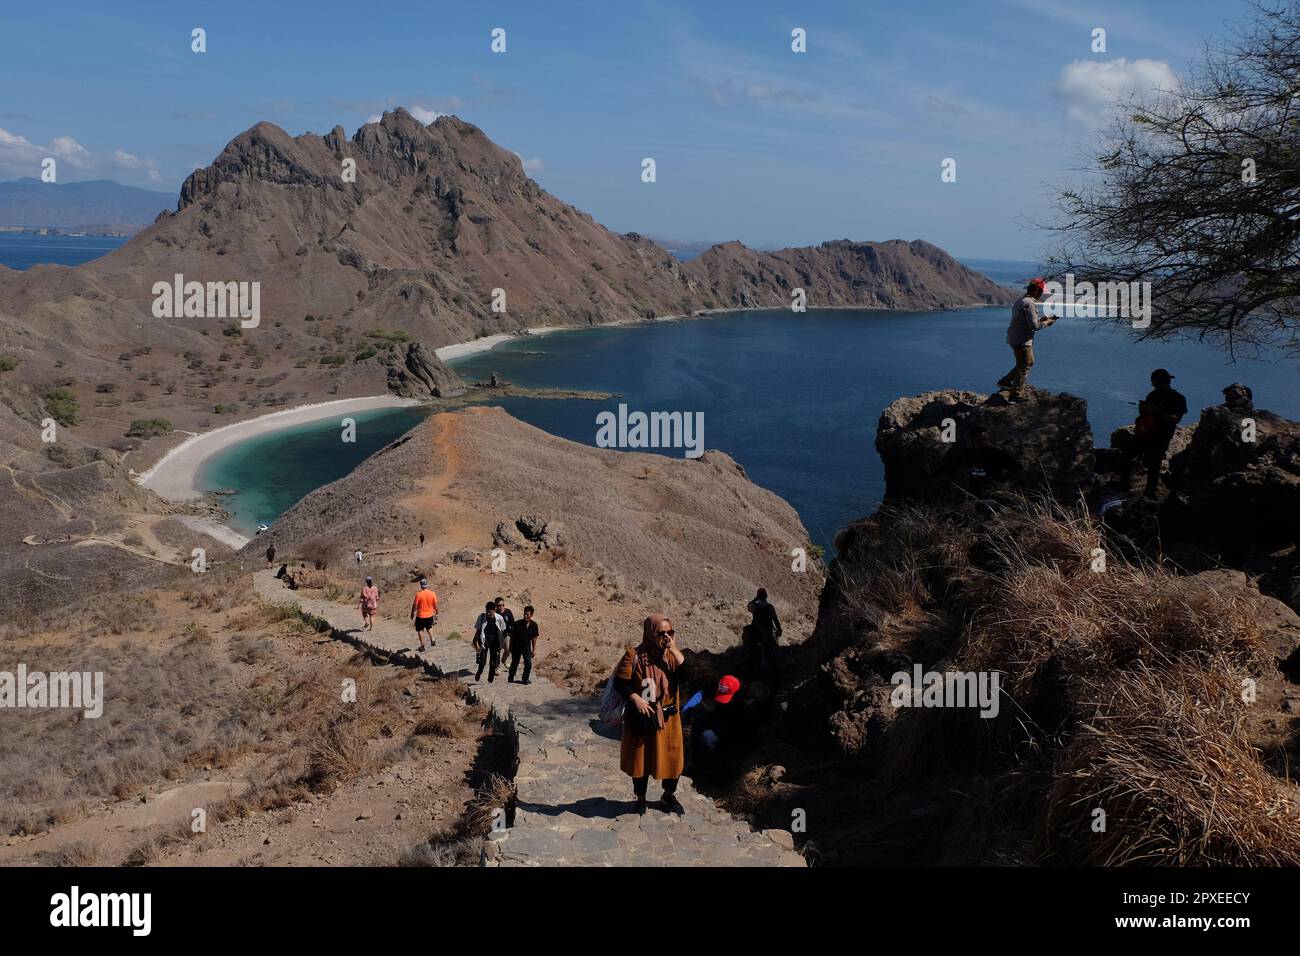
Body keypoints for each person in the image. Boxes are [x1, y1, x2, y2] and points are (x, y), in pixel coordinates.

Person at [617, 614, 686, 816]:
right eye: (661, 633)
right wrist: (635, 698)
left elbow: (690, 674)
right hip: (643, 717)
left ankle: (668, 795)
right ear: (649, 633)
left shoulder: (672, 656)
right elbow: (621, 683)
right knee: (641, 760)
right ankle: (641, 799)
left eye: (670, 632)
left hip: (668, 719)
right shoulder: (633, 655)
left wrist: (673, 648)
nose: (666, 636)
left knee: (673, 758)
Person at [1120, 368, 1188, 498]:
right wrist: (1143, 410)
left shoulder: (1178, 398)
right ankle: (1126, 485)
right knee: (1129, 456)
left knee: (1154, 464)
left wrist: (1158, 412)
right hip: (1147, 433)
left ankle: (1149, 492)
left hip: (1161, 435)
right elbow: (1146, 415)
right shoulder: (1153, 395)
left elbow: (1176, 419)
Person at [997, 277, 1058, 402]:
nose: (1041, 294)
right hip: (1022, 340)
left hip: (1015, 337)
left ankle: (1006, 381)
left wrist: (1041, 319)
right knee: (1025, 366)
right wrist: (1048, 323)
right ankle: (1016, 394)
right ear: (1036, 290)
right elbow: (1034, 326)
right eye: (1041, 291)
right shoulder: (1029, 303)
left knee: (1026, 362)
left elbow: (1026, 321)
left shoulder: (1022, 300)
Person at [944, 425, 1022, 496]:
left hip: (992, 492)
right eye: (979, 440)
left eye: (984, 439)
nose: (983, 442)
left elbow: (1017, 467)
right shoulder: (969, 453)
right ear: (972, 441)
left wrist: (1002, 482)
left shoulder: (996, 453)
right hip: (974, 492)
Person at [473, 600, 508, 683]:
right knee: (482, 662)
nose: (488, 614)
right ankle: (479, 672)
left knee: (493, 662)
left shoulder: (499, 618)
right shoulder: (481, 617)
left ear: (494, 610)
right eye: (487, 612)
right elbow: (478, 631)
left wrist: (501, 644)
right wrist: (477, 644)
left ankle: (490, 679)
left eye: (490, 612)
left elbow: (503, 631)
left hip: (495, 642)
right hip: (484, 641)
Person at [508, 605, 539, 684]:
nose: (525, 616)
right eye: (524, 614)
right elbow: (512, 636)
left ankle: (525, 678)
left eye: (527, 615)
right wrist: (510, 646)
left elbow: (534, 638)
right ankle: (511, 676)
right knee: (515, 662)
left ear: (531, 615)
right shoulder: (517, 624)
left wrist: (534, 649)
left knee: (528, 663)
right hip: (516, 646)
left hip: (526, 647)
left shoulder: (534, 625)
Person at [410, 578, 438, 651]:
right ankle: (432, 638)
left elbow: (415, 605)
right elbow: (435, 605)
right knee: (429, 627)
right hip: (429, 614)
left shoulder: (418, 594)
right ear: (427, 585)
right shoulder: (432, 593)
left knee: (420, 630)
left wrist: (412, 613)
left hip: (421, 615)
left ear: (421, 586)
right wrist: (437, 612)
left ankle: (422, 646)